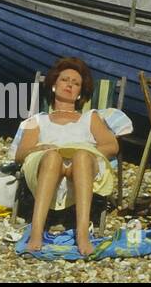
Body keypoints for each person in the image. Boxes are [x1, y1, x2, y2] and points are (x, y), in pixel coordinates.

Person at [15, 57, 119, 256]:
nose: (70, 85)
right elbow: (19, 155)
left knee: (81, 156)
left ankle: (82, 234)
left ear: (81, 92)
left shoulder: (91, 117)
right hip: (45, 163)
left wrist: (89, 150)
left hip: (82, 165)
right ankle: (37, 231)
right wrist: (40, 148)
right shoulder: (37, 120)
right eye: (65, 80)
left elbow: (111, 145)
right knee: (53, 157)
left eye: (76, 83)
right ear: (54, 84)